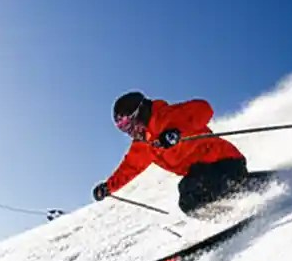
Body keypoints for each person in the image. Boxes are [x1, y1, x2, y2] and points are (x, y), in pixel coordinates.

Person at [93, 91, 266, 217]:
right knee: (188, 204)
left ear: (140, 113)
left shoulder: (167, 116)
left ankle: (238, 186)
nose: (128, 131)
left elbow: (204, 109)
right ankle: (232, 217)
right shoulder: (143, 145)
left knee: (188, 189)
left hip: (225, 163)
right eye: (121, 127)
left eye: (127, 123)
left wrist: (176, 133)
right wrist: (108, 187)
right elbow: (129, 168)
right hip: (201, 174)